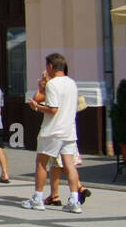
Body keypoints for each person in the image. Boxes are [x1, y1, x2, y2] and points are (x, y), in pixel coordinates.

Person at [22, 53, 83, 213]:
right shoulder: (72, 83)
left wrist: (36, 106)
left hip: (52, 131)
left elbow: (53, 109)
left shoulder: (53, 84)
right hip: (69, 130)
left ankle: (37, 198)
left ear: (50, 66)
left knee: (41, 163)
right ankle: (74, 200)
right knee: (70, 165)